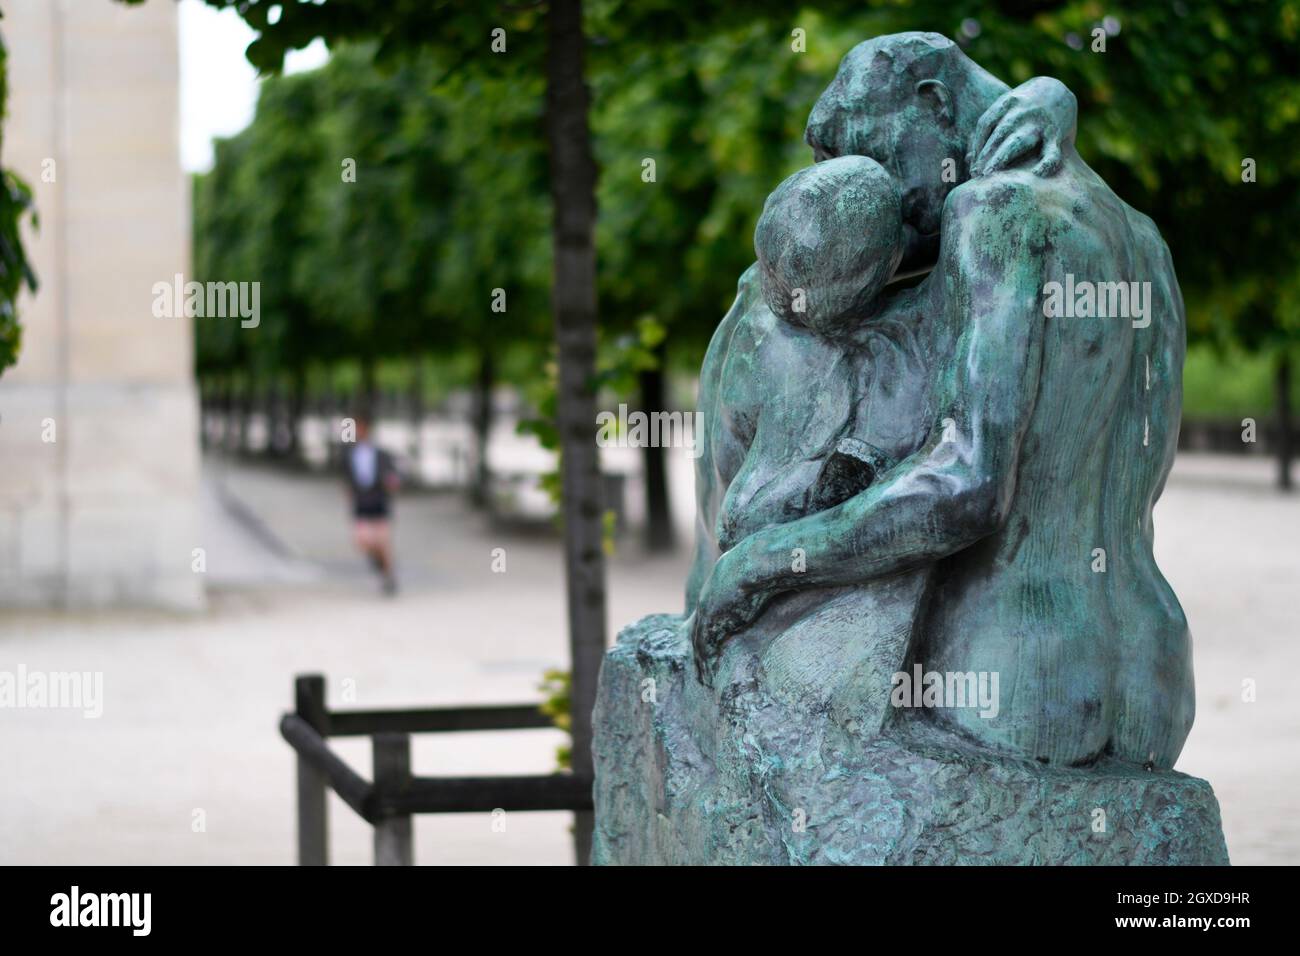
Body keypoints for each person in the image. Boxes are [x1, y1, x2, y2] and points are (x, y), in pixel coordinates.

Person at [692, 33, 1191, 769]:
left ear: (931, 103)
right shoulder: (1142, 240)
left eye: (872, 156)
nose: (874, 195)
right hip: (1154, 670)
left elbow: (968, 485)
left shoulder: (988, 215)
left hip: (1013, 673)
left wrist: (769, 561)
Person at [344, 412, 400, 594]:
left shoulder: (381, 454)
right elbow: (348, 479)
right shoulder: (349, 455)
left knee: (383, 541)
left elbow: (393, 474)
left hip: (379, 502)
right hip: (361, 503)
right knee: (363, 540)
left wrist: (392, 482)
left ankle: (388, 575)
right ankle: (380, 563)